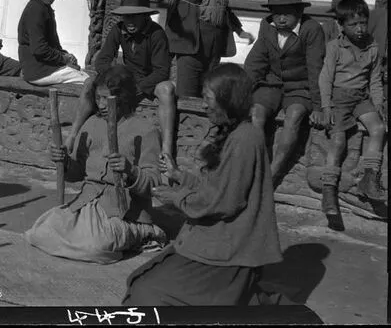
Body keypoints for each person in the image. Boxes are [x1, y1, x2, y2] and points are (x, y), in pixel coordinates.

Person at [122, 63, 285, 306]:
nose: (203, 104)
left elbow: (224, 201)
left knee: (146, 293)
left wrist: (176, 198)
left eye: (208, 98)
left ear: (227, 99)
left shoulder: (244, 139)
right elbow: (219, 185)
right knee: (142, 283)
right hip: (216, 240)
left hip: (229, 248)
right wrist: (180, 176)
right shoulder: (235, 133)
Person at [25, 65, 167, 264]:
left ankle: (144, 232)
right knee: (39, 232)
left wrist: (131, 170)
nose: (100, 104)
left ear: (123, 98)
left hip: (123, 211)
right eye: (98, 98)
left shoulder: (146, 130)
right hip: (87, 203)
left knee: (95, 248)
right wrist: (63, 162)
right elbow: (76, 173)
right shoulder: (92, 124)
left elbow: (153, 184)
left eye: (106, 98)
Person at [66, 0, 177, 163]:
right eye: (126, 16)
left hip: (148, 82)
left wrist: (138, 88)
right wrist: (115, 77)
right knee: (88, 83)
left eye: (135, 16)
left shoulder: (157, 34)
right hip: (125, 79)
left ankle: (167, 151)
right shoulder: (118, 29)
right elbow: (102, 60)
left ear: (144, 16)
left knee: (166, 89)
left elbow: (162, 71)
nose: (130, 21)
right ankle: (72, 136)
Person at [245, 0, 326, 187]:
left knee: (295, 115)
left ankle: (273, 174)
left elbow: (316, 69)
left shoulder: (312, 29)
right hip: (271, 84)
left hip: (300, 88)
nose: (280, 18)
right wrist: (241, 93)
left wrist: (318, 106)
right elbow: (255, 62)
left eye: (286, 13)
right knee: (256, 113)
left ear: (298, 11)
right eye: (276, 13)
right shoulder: (267, 26)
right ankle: (255, 166)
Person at [319, 0, 386, 230]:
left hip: (360, 98)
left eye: (363, 23)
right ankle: (329, 191)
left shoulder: (372, 47)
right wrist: (326, 106)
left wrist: (378, 104)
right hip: (338, 98)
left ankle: (369, 178)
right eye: (353, 24)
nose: (359, 29)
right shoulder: (335, 47)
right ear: (341, 25)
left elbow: (375, 80)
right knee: (338, 141)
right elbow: (325, 78)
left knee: (378, 128)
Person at [18, 0, 89, 85]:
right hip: (39, 71)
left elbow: (52, 45)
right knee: (89, 82)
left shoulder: (44, 8)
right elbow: (40, 49)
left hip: (41, 68)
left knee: (87, 75)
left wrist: (65, 56)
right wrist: (64, 59)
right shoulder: (36, 10)